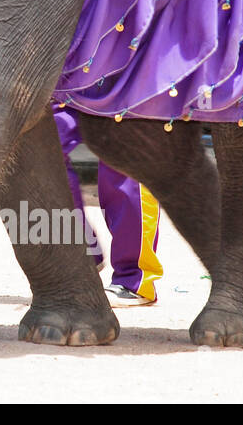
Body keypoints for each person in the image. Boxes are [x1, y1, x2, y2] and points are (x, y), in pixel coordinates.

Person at [54, 108, 162, 306]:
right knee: (45, 146)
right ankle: (80, 255)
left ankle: (134, 279)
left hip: (121, 80)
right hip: (63, 80)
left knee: (124, 146)